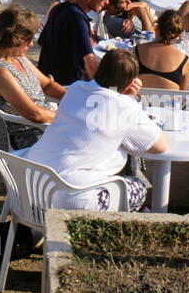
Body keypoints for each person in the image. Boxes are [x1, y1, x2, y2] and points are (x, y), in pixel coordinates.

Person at [27, 49, 167, 212]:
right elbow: (161, 146)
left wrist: (123, 96)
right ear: (130, 84)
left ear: (100, 68)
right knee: (138, 188)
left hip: (32, 186)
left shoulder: (76, 88)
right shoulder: (124, 106)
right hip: (67, 197)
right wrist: (128, 99)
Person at [0, 5, 66, 150]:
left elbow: (47, 85)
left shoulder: (19, 58)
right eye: (27, 39)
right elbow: (34, 114)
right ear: (13, 38)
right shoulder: (1, 74)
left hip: (49, 123)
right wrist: (69, 117)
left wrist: (74, 97)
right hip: (33, 134)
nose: (31, 43)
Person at [37, 0, 122, 85]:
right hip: (67, 85)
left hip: (46, 78)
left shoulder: (59, 8)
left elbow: (41, 42)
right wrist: (104, 90)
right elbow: (90, 63)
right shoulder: (79, 19)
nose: (107, 2)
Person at [134, 11, 189, 92]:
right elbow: (183, 97)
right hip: (169, 104)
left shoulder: (137, 50)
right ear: (178, 36)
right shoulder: (185, 61)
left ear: (156, 27)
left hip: (138, 103)